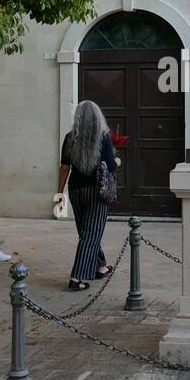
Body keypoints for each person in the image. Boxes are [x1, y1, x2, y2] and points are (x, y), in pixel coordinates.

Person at [58, 100, 120, 291]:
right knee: (90, 235)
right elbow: (110, 165)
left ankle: (99, 267)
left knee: (87, 232)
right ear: (97, 117)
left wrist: (59, 192)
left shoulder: (70, 138)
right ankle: (76, 278)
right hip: (96, 192)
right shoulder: (103, 137)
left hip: (76, 190)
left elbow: (64, 168)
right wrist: (118, 160)